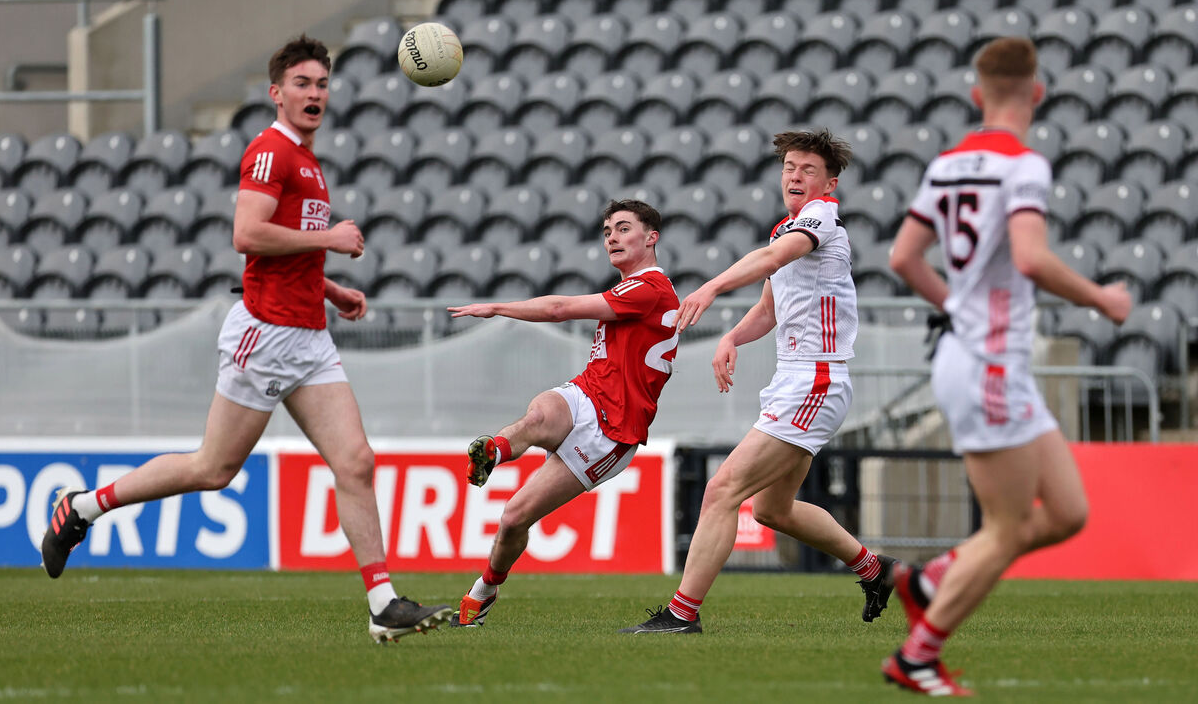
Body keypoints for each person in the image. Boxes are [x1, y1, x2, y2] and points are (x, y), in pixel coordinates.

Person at [39, 35, 451, 643]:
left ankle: (382, 604)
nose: (314, 94)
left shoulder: (309, 163)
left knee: (356, 462)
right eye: (302, 84)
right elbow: (247, 234)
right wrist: (329, 241)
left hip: (309, 337)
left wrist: (329, 288)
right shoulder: (271, 151)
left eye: (321, 84)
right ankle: (81, 508)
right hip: (265, 336)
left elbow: (284, 249)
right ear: (276, 93)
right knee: (213, 468)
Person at [884, 37, 1132, 695]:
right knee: (1007, 528)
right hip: (990, 362)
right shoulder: (1025, 167)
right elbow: (1030, 257)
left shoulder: (946, 164)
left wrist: (956, 307)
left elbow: (903, 258)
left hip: (982, 359)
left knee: (1067, 512)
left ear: (975, 95)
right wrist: (1102, 297)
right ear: (1039, 93)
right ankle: (916, 656)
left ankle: (929, 580)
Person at [621, 128, 894, 635]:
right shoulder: (784, 229)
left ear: (829, 183)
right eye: (790, 166)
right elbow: (768, 309)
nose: (795, 174)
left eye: (808, 168)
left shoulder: (822, 218)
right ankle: (876, 571)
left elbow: (770, 262)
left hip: (815, 378)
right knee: (771, 509)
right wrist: (731, 338)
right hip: (798, 380)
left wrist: (711, 285)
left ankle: (681, 615)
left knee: (721, 489)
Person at [445, 199, 679, 627]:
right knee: (538, 416)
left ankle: (486, 588)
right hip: (586, 392)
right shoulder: (633, 288)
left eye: (623, 228)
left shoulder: (649, 288)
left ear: (651, 237)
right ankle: (495, 450)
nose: (612, 237)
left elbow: (558, 310)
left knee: (514, 518)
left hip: (613, 430)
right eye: (607, 230)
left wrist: (498, 307)